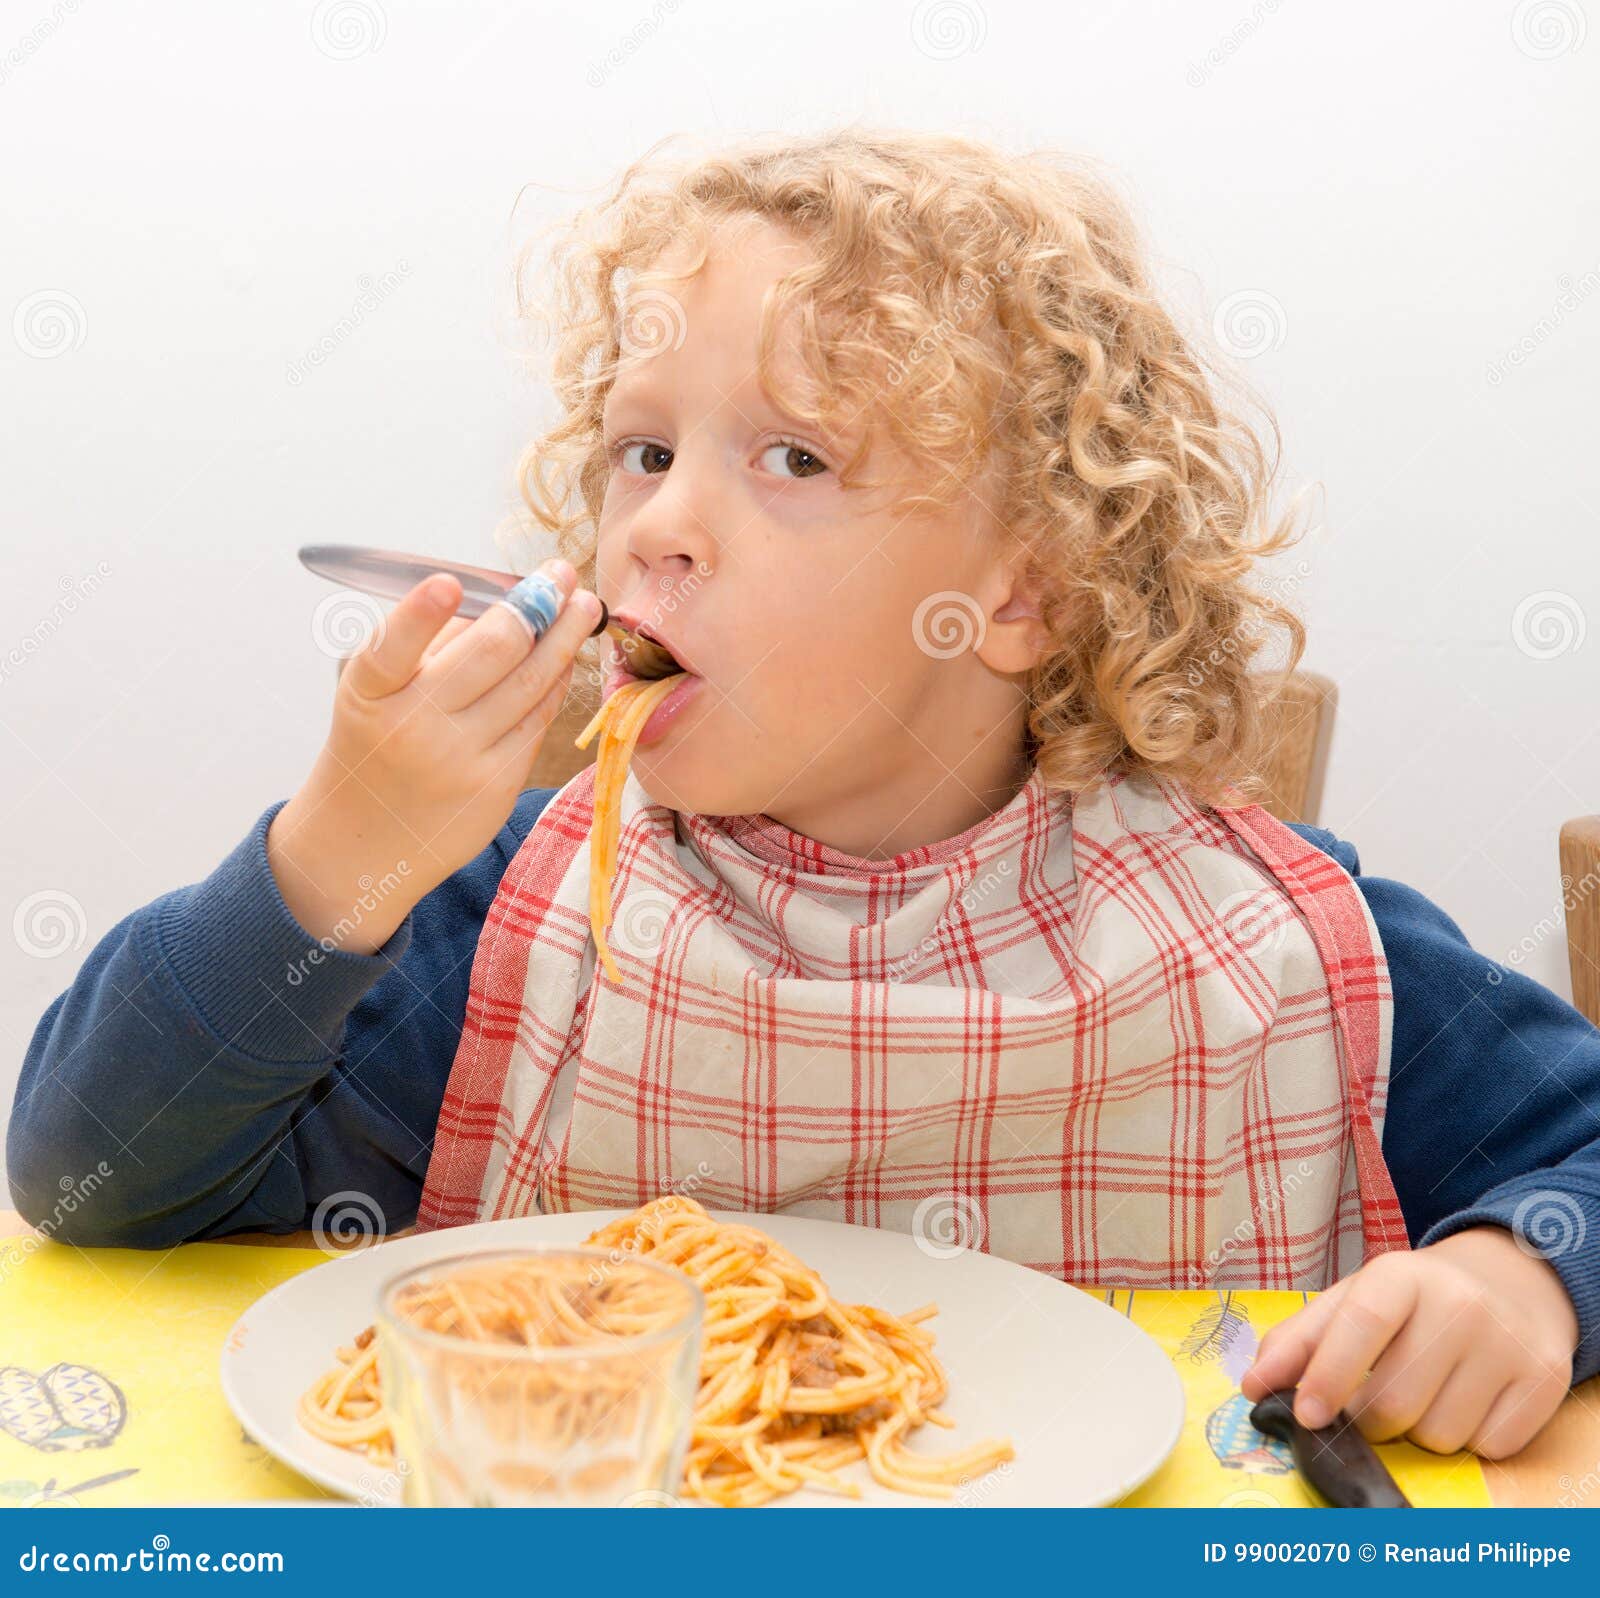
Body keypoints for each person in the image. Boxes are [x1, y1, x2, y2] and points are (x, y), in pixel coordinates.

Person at [10, 129, 1597, 1462]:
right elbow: (92, 1178)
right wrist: (335, 862)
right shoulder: (519, 920)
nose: (658, 528)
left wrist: (1526, 1275)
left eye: (793, 460)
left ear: (1025, 593)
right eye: (641, 451)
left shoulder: (1277, 948)